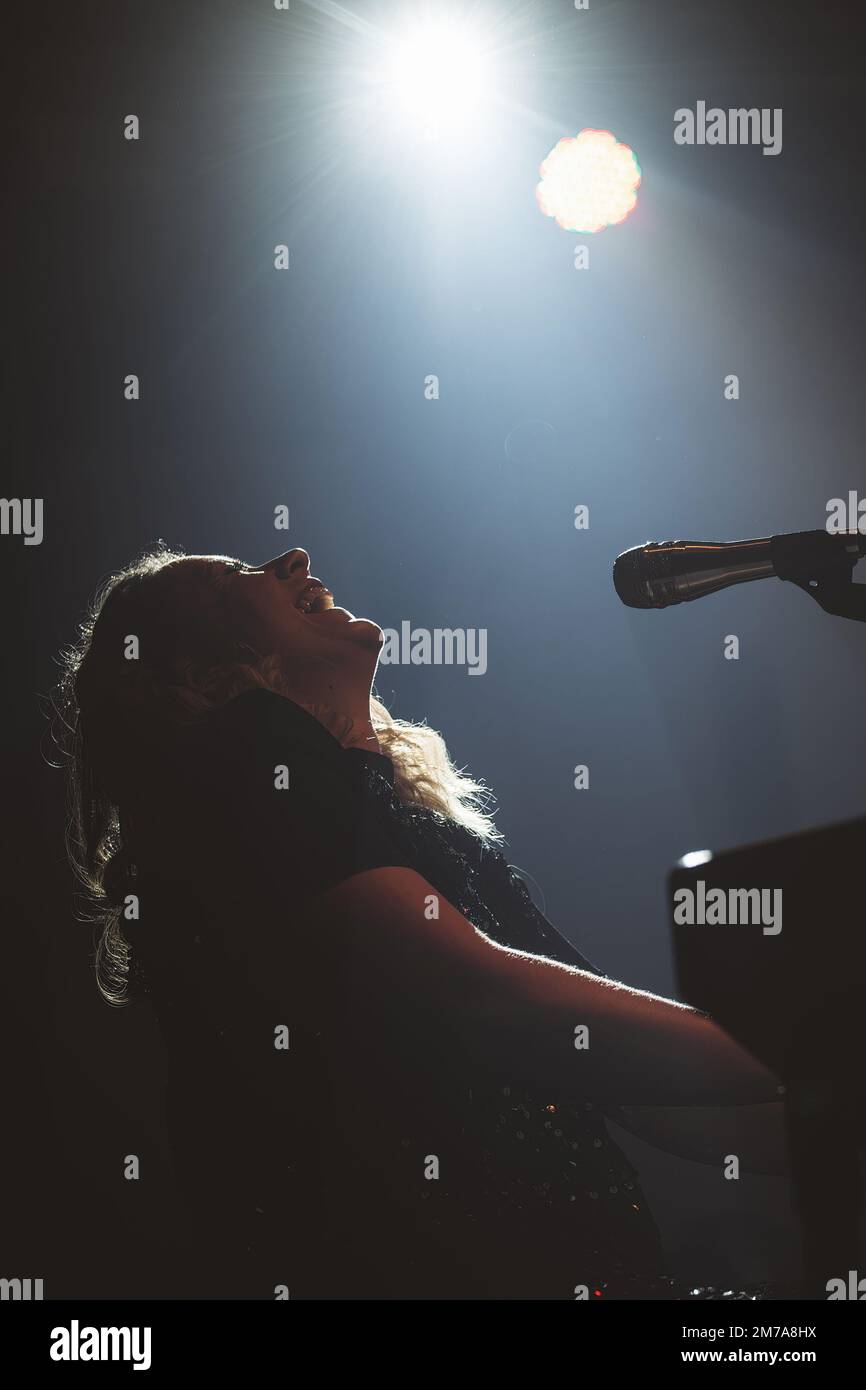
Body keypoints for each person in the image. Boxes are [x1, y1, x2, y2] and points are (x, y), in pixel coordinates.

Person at [56, 543, 789, 1299]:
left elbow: (626, 1083)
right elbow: (477, 995)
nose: (290, 557)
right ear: (201, 679)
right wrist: (802, 1049)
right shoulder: (241, 755)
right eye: (228, 581)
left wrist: (823, 1125)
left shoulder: (414, 826)